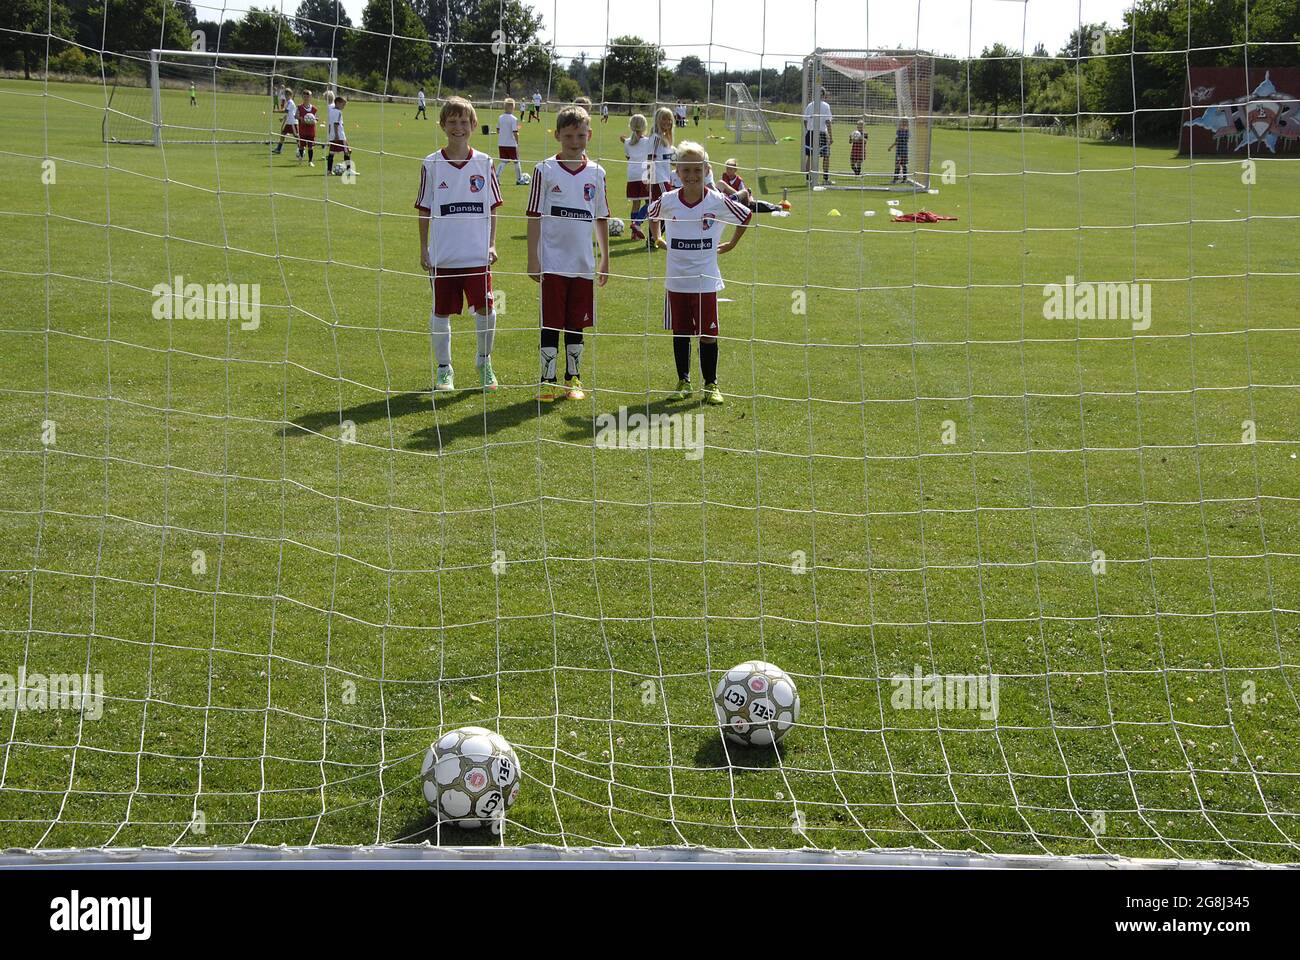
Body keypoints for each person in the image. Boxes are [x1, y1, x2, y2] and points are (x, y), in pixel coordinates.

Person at [646, 141, 750, 406]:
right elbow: (652, 214)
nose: (692, 176)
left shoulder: (716, 200)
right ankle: (683, 381)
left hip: (705, 281)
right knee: (680, 332)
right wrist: (658, 236)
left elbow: (745, 216)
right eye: (686, 170)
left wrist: (732, 243)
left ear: (706, 170)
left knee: (707, 334)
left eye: (697, 170)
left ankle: (711, 384)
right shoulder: (669, 200)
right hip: (677, 280)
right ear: (677, 172)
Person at [415, 96, 503, 392]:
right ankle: (444, 369)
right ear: (442, 125)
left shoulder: (485, 162)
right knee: (441, 312)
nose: (458, 127)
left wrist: (491, 245)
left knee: (487, 310)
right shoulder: (431, 163)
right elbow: (424, 208)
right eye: (451, 122)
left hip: (477, 253)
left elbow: (492, 207)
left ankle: (484, 362)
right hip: (444, 255)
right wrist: (424, 248)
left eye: (463, 121)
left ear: (473, 125)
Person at [526, 105, 610, 403]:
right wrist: (533, 257)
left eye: (581, 135)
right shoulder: (544, 170)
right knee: (551, 321)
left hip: (582, 263)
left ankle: (573, 377)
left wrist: (604, 258)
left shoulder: (597, 172)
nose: (575, 141)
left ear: (589, 134)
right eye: (569, 135)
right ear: (558, 135)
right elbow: (534, 216)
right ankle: (546, 380)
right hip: (552, 262)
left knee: (577, 322)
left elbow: (601, 217)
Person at [646, 106, 677, 250]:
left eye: (670, 119)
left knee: (659, 209)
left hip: (664, 178)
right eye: (664, 118)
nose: (667, 122)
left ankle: (652, 240)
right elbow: (649, 159)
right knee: (668, 207)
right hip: (658, 179)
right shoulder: (656, 138)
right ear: (658, 120)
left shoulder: (665, 140)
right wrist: (647, 179)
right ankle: (655, 238)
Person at [620, 113, 653, 240]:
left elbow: (628, 157)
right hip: (645, 172)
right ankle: (637, 223)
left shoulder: (627, 142)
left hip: (632, 174)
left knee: (636, 203)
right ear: (645, 126)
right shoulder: (648, 141)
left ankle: (634, 234)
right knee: (650, 202)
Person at [803, 87, 833, 185]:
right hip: (821, 133)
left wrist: (808, 129)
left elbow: (805, 121)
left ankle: (808, 179)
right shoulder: (826, 106)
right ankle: (825, 179)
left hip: (810, 133)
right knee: (826, 156)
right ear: (824, 95)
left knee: (810, 156)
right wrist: (831, 136)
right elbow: (828, 121)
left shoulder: (809, 105)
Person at [495, 98, 526, 184]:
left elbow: (498, 130)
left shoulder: (500, 117)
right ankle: (520, 179)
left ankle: (496, 177)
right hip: (511, 144)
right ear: (512, 107)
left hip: (501, 143)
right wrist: (517, 143)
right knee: (516, 161)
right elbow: (515, 132)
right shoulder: (513, 119)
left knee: (503, 161)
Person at [326, 95, 355, 176]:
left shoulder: (331, 111)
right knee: (347, 152)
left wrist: (331, 135)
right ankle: (349, 170)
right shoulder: (338, 112)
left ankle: (329, 171)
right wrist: (336, 135)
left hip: (332, 135)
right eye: (343, 104)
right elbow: (335, 124)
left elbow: (330, 125)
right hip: (339, 136)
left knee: (331, 153)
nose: (344, 107)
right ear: (338, 103)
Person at [273, 88, 297, 155]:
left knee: (296, 136)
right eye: (285, 94)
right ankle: (278, 149)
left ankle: (301, 147)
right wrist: (283, 118)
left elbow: (286, 111)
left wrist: (277, 111)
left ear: (290, 95)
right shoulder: (288, 102)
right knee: (283, 134)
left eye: (287, 95)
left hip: (292, 122)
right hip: (289, 122)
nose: (286, 96)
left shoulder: (290, 102)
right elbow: (288, 113)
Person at [297, 89, 318, 166]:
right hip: (302, 130)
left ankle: (310, 161)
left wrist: (314, 120)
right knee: (302, 146)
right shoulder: (299, 107)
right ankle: (301, 158)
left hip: (311, 130)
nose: (306, 98)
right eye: (305, 97)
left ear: (310, 97)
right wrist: (301, 118)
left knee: (310, 146)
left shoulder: (314, 109)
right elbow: (296, 116)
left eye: (308, 97)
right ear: (302, 97)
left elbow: (317, 118)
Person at [888, 118, 910, 183]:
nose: (902, 125)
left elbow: (904, 140)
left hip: (904, 151)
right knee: (897, 164)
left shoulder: (907, 132)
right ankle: (895, 179)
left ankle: (904, 179)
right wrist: (891, 147)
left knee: (903, 164)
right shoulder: (898, 131)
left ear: (906, 124)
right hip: (898, 151)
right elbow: (896, 141)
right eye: (901, 123)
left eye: (904, 123)